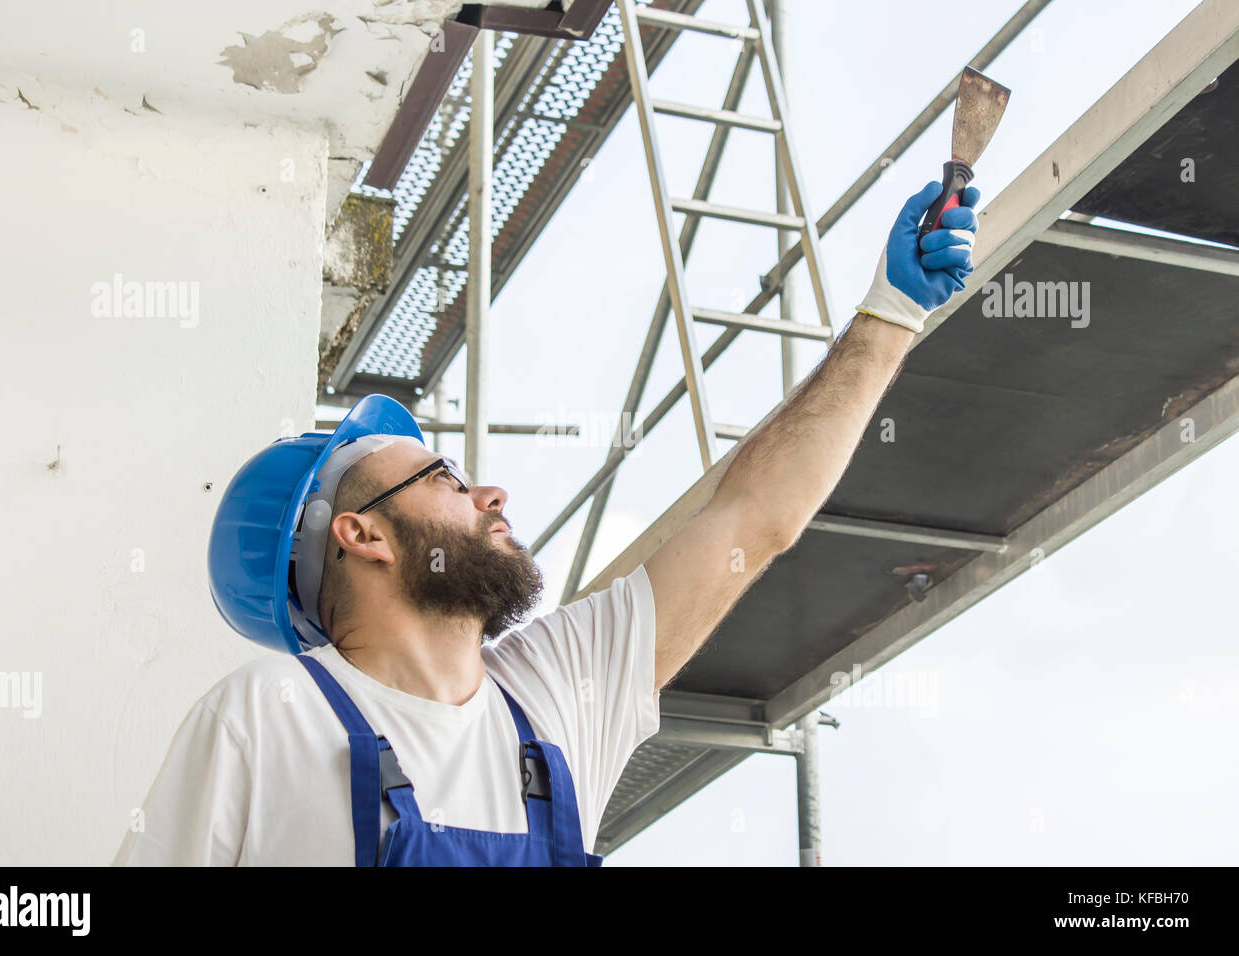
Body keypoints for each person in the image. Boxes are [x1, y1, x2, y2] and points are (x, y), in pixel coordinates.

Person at [112, 181, 980, 866]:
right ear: (361, 535)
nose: (492, 498)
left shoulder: (555, 691)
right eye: (444, 479)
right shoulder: (265, 718)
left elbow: (755, 515)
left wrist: (890, 317)